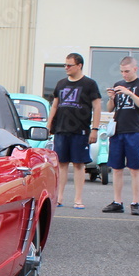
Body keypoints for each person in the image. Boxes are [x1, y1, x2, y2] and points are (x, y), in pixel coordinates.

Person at [47, 52, 101, 209]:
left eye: (69, 65)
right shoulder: (61, 83)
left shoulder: (89, 84)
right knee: (62, 163)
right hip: (62, 130)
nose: (66, 68)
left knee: (78, 164)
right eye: (65, 65)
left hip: (80, 130)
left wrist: (95, 129)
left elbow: (97, 107)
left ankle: (78, 199)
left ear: (79, 66)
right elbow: (55, 105)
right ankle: (59, 197)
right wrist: (49, 124)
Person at [102, 57, 139, 215]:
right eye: (122, 71)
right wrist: (112, 97)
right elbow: (110, 108)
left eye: (127, 71)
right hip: (118, 131)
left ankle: (135, 202)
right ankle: (118, 201)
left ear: (135, 69)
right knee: (116, 168)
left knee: (135, 169)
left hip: (134, 131)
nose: (124, 74)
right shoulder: (119, 84)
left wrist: (129, 93)